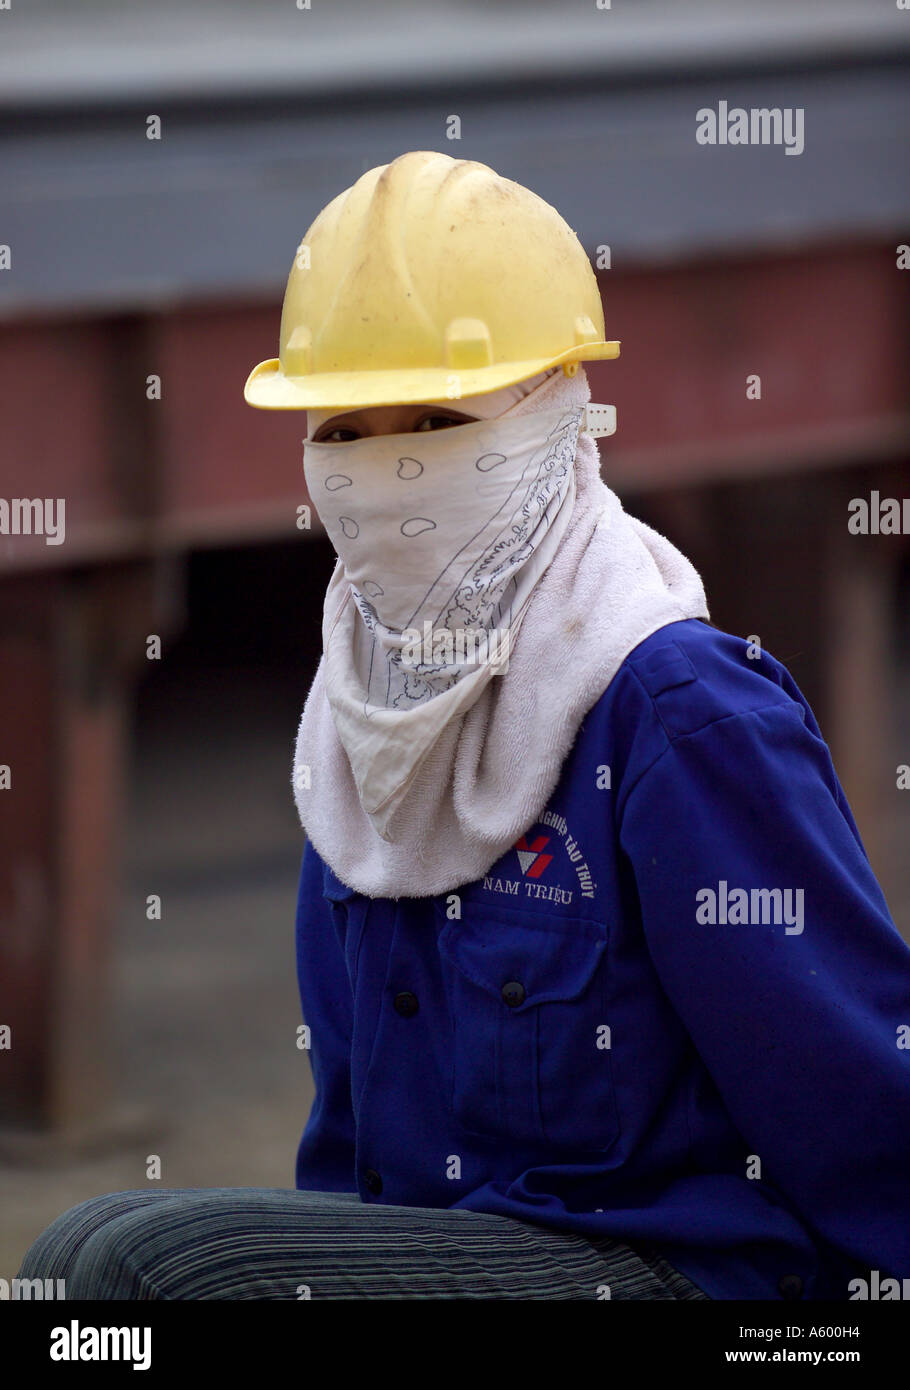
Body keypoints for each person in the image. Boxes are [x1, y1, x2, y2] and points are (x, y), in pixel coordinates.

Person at [18, 151, 910, 1301]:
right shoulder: (359, 730)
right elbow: (351, 1181)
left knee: (144, 1270)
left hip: (687, 1277)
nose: (386, 469)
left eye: (438, 421)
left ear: (553, 419)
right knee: (75, 1279)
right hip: (466, 1265)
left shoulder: (681, 715)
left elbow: (856, 1093)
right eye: (342, 431)